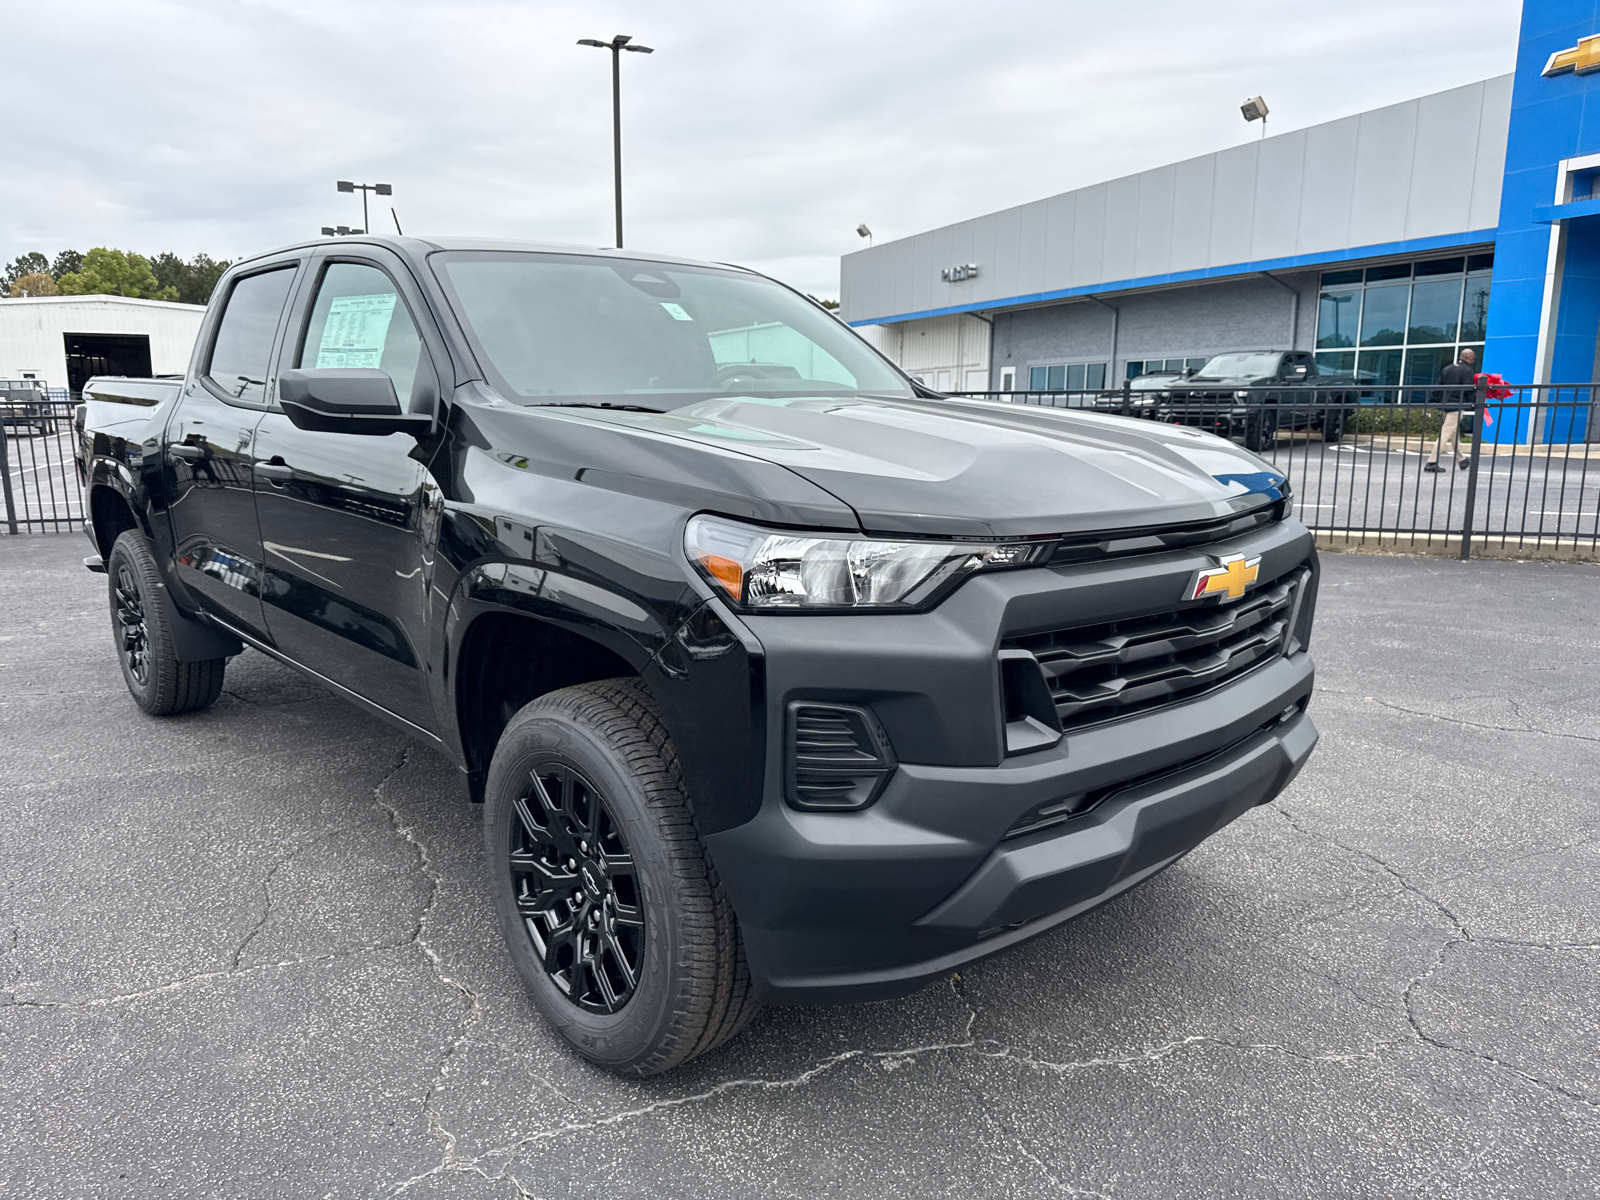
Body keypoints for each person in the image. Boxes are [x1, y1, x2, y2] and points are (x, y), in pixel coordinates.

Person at [1425, 349, 1477, 472]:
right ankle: (1432, 462)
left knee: (1452, 433)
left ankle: (1462, 459)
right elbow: (1467, 389)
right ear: (1469, 358)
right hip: (1456, 406)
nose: (1473, 361)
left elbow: (1438, 387)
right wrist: (1473, 403)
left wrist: (1434, 403)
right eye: (1473, 359)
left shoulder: (1447, 369)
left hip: (1445, 404)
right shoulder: (1468, 371)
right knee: (1446, 432)